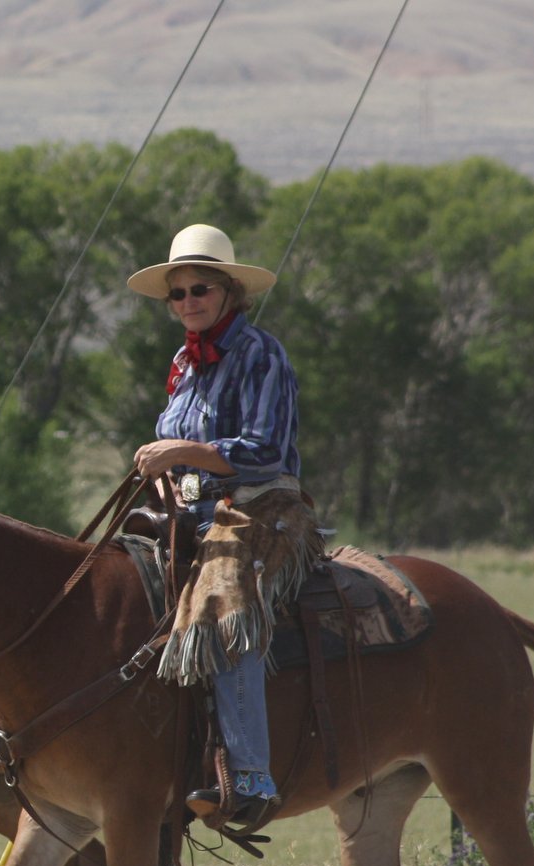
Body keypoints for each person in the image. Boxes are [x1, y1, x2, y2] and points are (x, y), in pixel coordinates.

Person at [127, 223, 321, 831]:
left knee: (224, 599)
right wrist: (164, 478)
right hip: (190, 509)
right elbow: (173, 450)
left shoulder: (261, 353)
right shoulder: (183, 363)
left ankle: (250, 775)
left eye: (200, 289)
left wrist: (182, 452)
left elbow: (264, 450)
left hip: (261, 505)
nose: (188, 301)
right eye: (177, 293)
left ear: (229, 293)